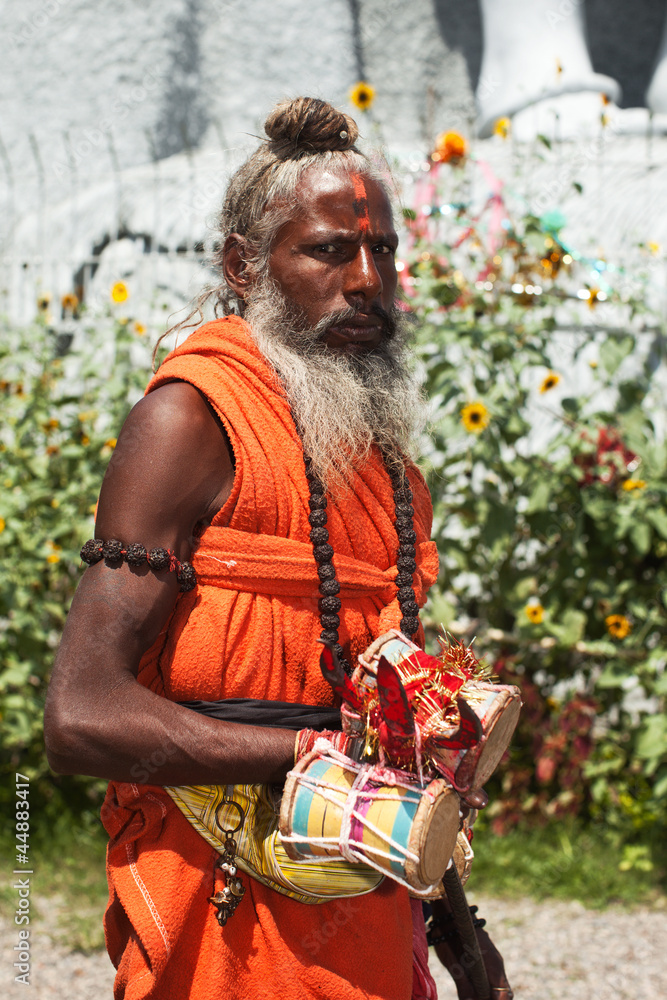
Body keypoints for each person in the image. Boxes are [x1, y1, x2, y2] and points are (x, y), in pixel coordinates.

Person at [45, 96, 511, 1000]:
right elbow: (81, 716)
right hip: (222, 908)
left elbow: (396, 739)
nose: (369, 280)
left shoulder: (381, 462)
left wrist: (461, 930)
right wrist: (316, 752)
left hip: (370, 909)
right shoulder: (187, 419)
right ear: (242, 265)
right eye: (331, 250)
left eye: (384, 252)